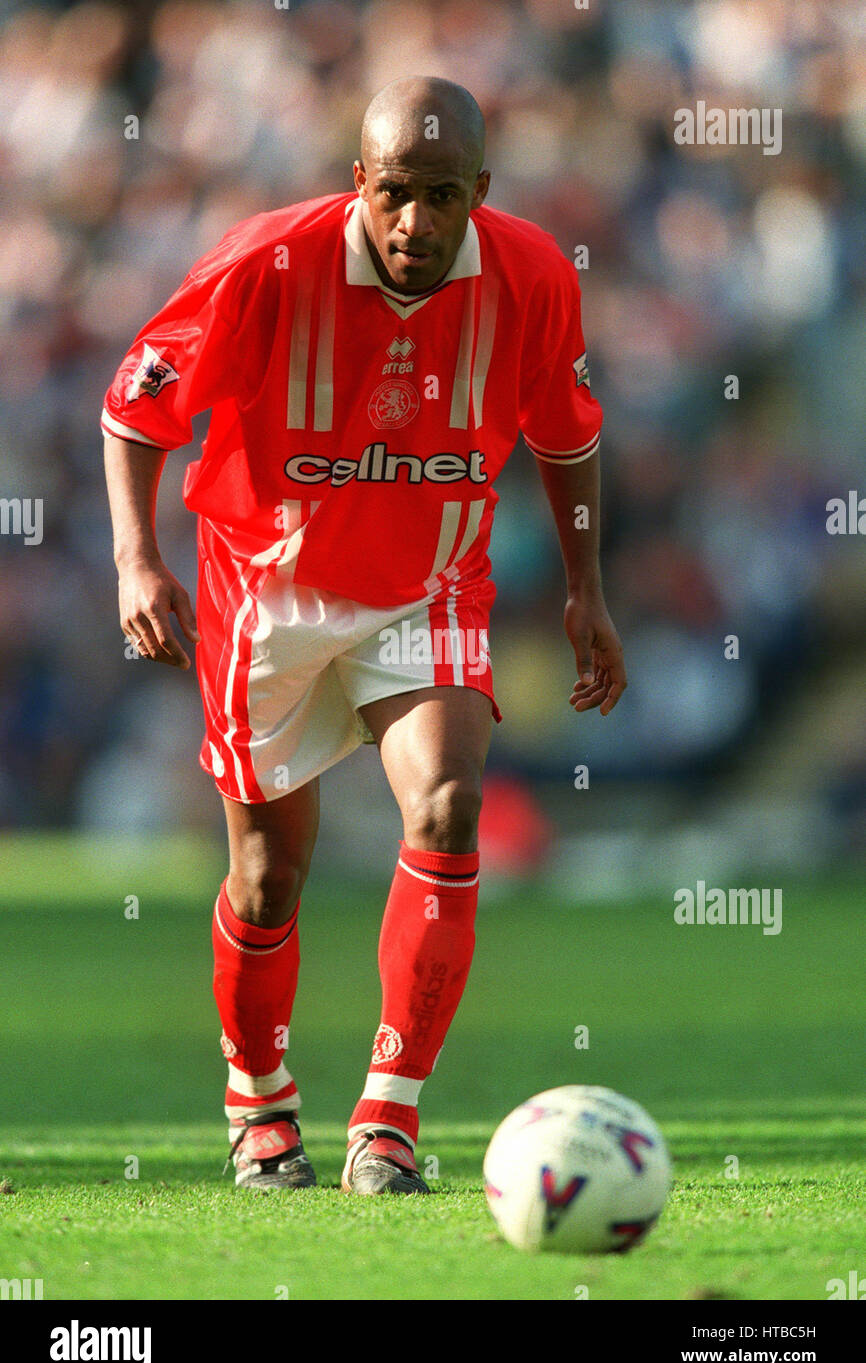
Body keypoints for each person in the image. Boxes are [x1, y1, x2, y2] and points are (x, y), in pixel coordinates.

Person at [102, 76, 626, 1196]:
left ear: (478, 193)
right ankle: (258, 1099)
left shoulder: (532, 277)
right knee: (266, 873)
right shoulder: (265, 262)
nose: (415, 223)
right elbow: (137, 402)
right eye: (395, 193)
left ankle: (386, 1118)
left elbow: (567, 436)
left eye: (442, 197)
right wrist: (137, 558)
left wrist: (584, 589)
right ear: (359, 181)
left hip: (427, 584)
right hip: (264, 590)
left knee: (445, 804)